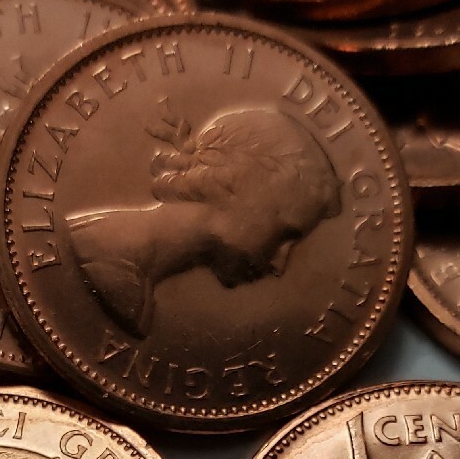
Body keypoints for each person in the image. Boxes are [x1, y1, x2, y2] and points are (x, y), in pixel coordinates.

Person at [66, 107, 343, 338]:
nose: (279, 264)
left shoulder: (130, 285)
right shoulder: (97, 260)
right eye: (285, 234)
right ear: (239, 186)